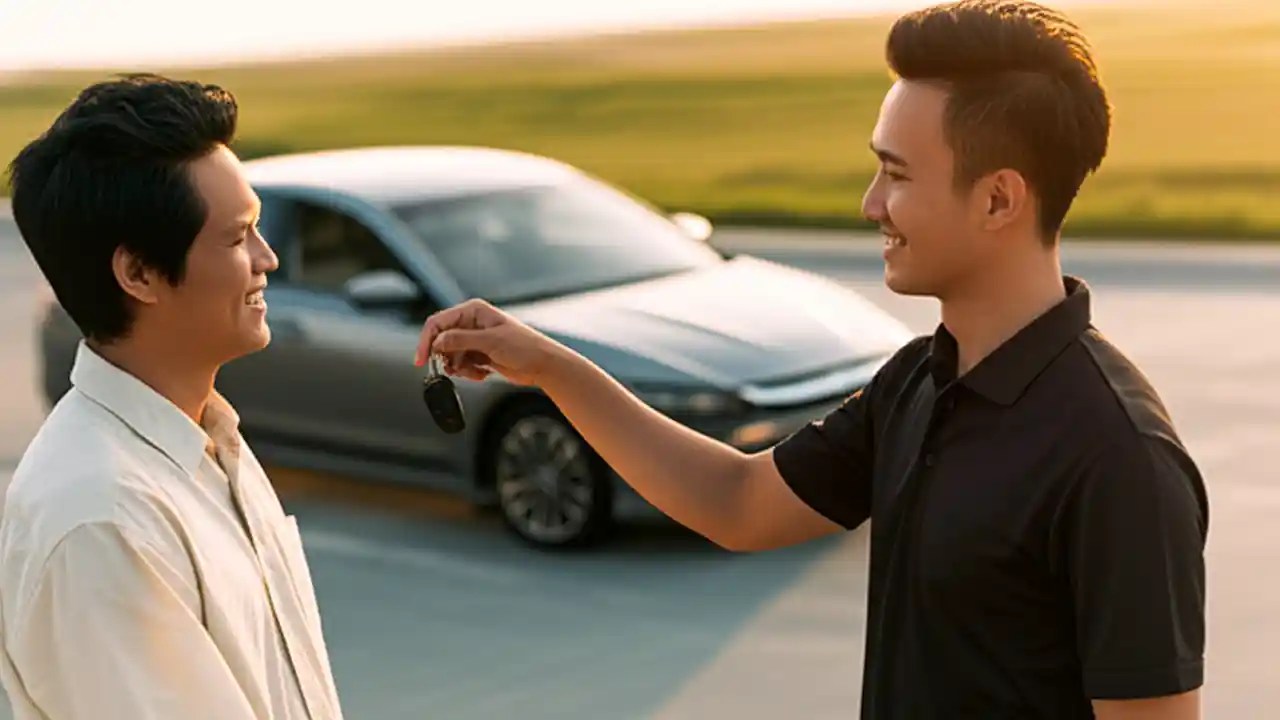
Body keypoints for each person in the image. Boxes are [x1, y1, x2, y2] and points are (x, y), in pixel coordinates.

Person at [415, 1, 1207, 718]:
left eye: (896, 174)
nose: (870, 205)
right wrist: (551, 367)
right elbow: (738, 501)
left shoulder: (1117, 459)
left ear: (998, 199)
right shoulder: (920, 382)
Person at [0, 74, 343, 719]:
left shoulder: (210, 446)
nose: (268, 259)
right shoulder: (100, 519)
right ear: (138, 273)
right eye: (238, 237)